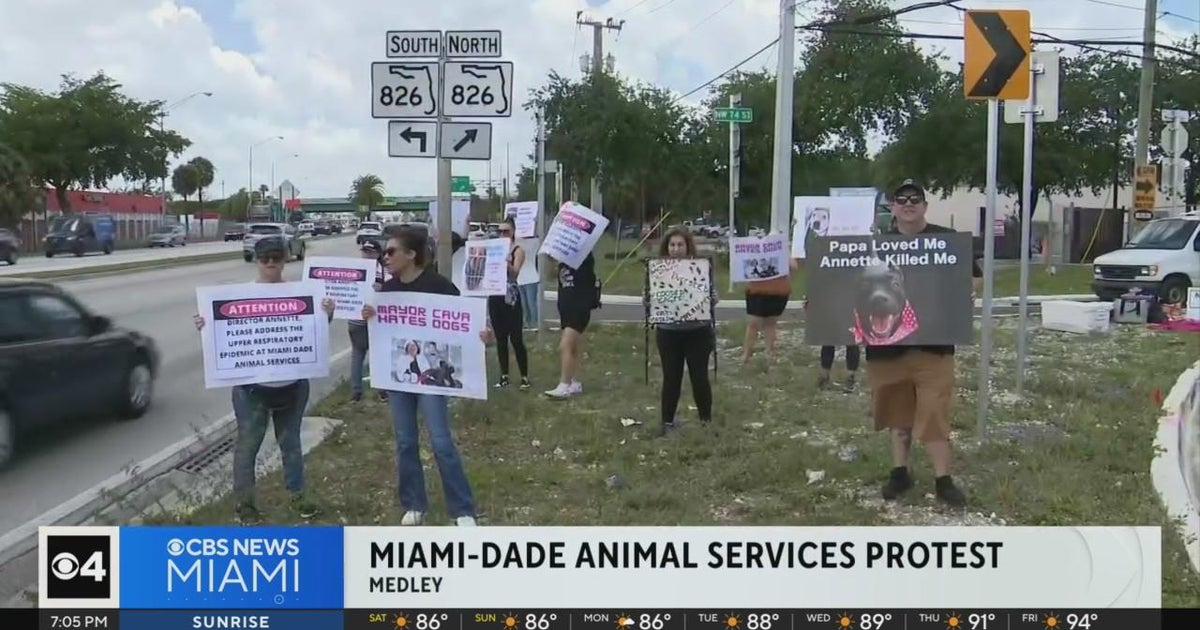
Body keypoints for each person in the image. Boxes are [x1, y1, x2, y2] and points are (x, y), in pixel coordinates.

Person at [193, 236, 335, 524]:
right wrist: (205, 326)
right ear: (255, 261)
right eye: (264, 258)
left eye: (276, 257)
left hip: (293, 388)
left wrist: (326, 315)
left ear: (285, 259)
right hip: (251, 391)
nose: (271, 263)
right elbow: (224, 338)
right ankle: (245, 505)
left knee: (291, 444)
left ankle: (298, 496)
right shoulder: (239, 294)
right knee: (248, 447)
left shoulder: (304, 293)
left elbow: (313, 332)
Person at [866, 180, 982, 508]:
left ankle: (943, 479)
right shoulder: (875, 245)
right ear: (892, 207)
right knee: (897, 413)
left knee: (934, 413)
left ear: (925, 206)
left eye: (914, 199)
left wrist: (965, 290)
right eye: (901, 199)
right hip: (888, 346)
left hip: (934, 344)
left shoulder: (946, 240)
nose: (908, 204)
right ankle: (899, 472)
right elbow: (849, 283)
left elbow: (974, 277)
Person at [360, 225, 487, 526]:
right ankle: (414, 504)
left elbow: (465, 324)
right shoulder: (387, 292)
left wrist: (484, 335)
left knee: (441, 441)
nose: (385, 257)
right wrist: (370, 319)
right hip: (398, 379)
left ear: (412, 255)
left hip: (432, 379)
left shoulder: (439, 286)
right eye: (384, 252)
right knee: (405, 441)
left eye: (391, 251)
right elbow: (379, 338)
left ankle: (463, 509)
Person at [649, 229, 718, 436]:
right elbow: (648, 300)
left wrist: (713, 298)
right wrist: (648, 299)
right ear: (666, 248)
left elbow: (712, 296)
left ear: (688, 246)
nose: (676, 249)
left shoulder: (700, 269)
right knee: (671, 378)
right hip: (668, 332)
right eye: (672, 245)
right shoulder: (657, 271)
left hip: (698, 331)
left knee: (699, 377)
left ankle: (706, 421)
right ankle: (667, 422)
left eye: (680, 245)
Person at [544, 251, 600, 399]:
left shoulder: (583, 255)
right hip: (566, 306)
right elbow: (550, 277)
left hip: (579, 306)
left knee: (565, 345)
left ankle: (564, 384)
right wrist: (551, 261)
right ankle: (574, 381)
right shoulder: (563, 259)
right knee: (574, 346)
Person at [489, 218, 531, 390]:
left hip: (510, 296)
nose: (502, 234)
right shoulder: (494, 248)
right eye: (499, 231)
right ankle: (504, 375)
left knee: (516, 338)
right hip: (495, 295)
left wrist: (505, 262)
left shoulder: (517, 250)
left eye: (505, 231)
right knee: (500, 339)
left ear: (513, 232)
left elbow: (515, 272)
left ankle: (524, 376)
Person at [348, 240, 385, 403]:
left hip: (361, 320)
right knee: (377, 355)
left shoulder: (354, 270)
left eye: (369, 252)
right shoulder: (383, 271)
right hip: (366, 320)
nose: (367, 255)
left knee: (358, 355)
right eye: (366, 252)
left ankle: (356, 391)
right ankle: (381, 390)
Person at [741, 254, 794, 365]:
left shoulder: (783, 250)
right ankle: (746, 355)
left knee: (770, 323)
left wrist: (785, 259)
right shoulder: (754, 250)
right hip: (757, 290)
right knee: (753, 323)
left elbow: (794, 266)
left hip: (778, 291)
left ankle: (770, 353)